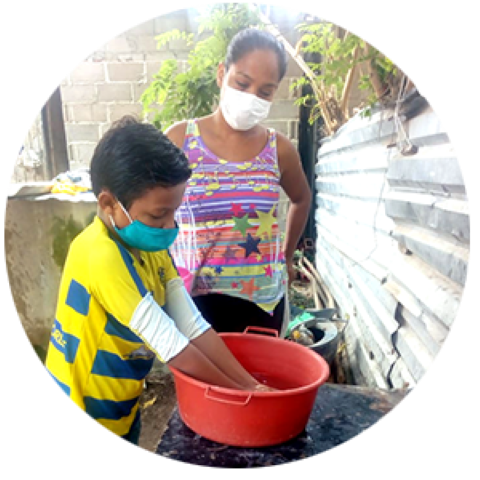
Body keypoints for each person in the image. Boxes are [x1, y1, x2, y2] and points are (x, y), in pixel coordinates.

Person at [44, 116, 272, 448]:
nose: (168, 226)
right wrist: (244, 395)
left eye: (174, 212)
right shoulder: (100, 255)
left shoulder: (149, 247)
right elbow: (172, 345)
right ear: (109, 204)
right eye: (157, 215)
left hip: (121, 401)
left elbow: (192, 325)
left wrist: (251, 384)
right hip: (83, 400)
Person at [166, 28, 312, 335]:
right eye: (242, 83)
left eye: (265, 91)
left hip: (260, 300)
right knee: (199, 382)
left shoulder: (279, 150)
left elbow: (301, 199)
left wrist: (286, 257)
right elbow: (153, 208)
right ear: (222, 74)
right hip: (193, 298)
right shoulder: (180, 140)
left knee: (256, 380)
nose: (250, 98)